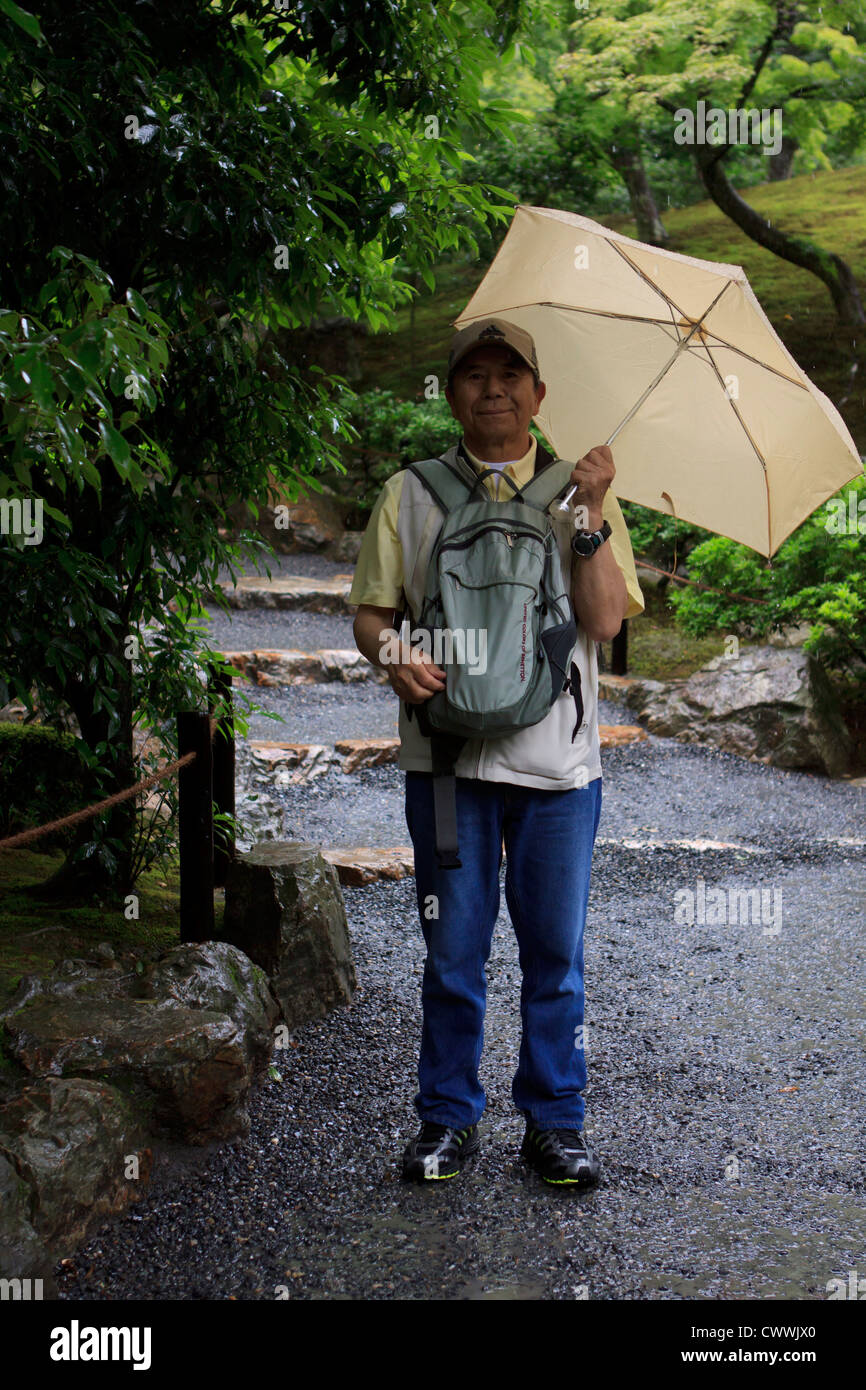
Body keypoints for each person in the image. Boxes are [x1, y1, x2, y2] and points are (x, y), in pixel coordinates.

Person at [350, 317, 644, 1185]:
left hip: (560, 769)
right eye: (474, 375)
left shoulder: (579, 492)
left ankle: (556, 1124)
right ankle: (446, 1119)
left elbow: (604, 622)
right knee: (452, 954)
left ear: (538, 395)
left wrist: (587, 516)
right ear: (452, 395)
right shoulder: (410, 492)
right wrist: (395, 655)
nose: (493, 388)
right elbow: (371, 612)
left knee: (556, 957)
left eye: (510, 374)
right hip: (446, 766)